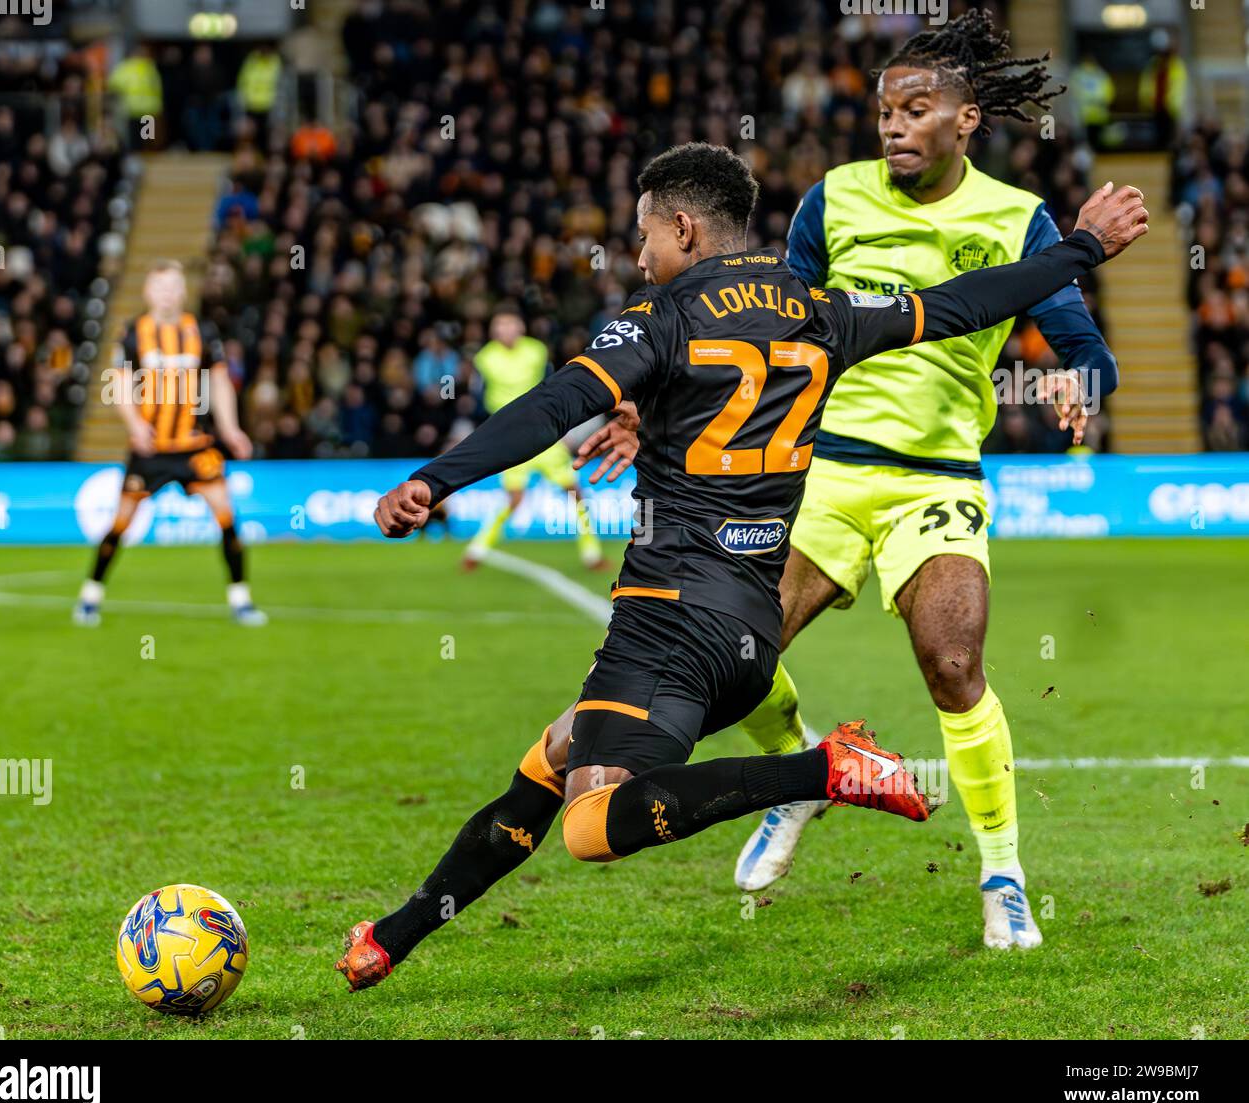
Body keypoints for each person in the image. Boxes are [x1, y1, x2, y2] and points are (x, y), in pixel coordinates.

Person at [334, 141, 1147, 990]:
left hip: (667, 621)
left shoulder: (661, 319)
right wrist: (1080, 247)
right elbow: (955, 305)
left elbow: (556, 402)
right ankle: (392, 936)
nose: (639, 253)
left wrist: (436, 477)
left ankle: (823, 768)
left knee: (588, 824)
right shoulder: (820, 309)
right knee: (552, 759)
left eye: (644, 234)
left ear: (684, 228)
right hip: (748, 639)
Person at [584, 10, 1120, 951]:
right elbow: (761, 326)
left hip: (937, 476)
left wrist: (1084, 383)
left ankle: (1003, 872)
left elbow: (1080, 342)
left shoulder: (1016, 219)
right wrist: (658, 401)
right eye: (883, 114)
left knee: (953, 666)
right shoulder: (833, 201)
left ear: (966, 121)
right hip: (822, 472)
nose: (894, 128)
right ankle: (799, 779)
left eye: (916, 111)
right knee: (738, 666)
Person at [73, 261, 266, 628]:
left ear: (183, 291)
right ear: (148, 292)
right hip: (151, 450)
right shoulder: (132, 333)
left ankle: (241, 600)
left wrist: (231, 429)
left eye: (173, 286)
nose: (167, 294)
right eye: (160, 287)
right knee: (119, 525)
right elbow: (119, 384)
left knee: (227, 519)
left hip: (197, 447)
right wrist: (134, 425)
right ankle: (90, 596)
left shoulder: (202, 331)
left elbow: (220, 382)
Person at [461, 308, 605, 571]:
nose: (505, 330)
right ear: (493, 331)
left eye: (510, 324)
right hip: (509, 435)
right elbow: (478, 397)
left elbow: (554, 384)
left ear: (520, 328)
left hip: (543, 432)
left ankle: (592, 554)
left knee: (575, 493)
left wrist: (559, 426)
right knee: (514, 498)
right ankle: (477, 550)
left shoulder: (536, 351)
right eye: (500, 325)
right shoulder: (485, 358)